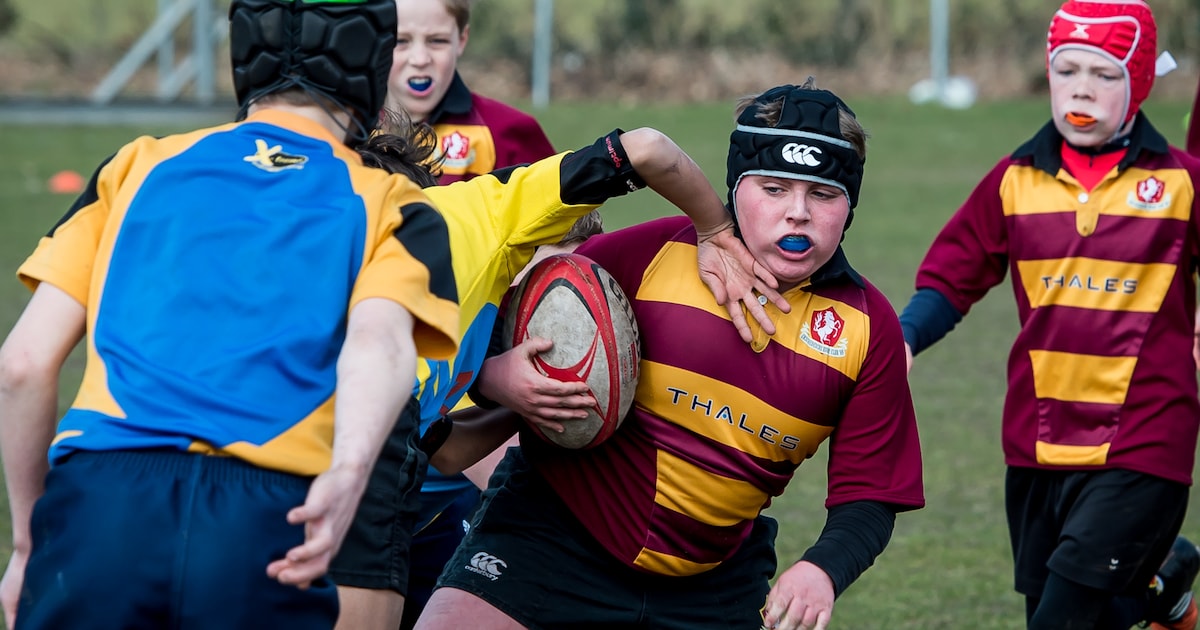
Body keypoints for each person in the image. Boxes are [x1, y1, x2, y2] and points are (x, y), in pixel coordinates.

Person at [0, 1, 461, 628]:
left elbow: (22, 364)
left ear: (242, 57)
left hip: (102, 504)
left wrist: (32, 542)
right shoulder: (392, 202)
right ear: (373, 67)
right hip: (269, 515)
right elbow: (378, 346)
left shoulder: (136, 166)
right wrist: (349, 473)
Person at [415, 80, 926, 630]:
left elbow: (871, 493)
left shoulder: (867, 330)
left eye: (822, 194)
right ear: (736, 188)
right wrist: (495, 378)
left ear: (850, 205)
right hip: (550, 538)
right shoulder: (644, 257)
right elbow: (487, 324)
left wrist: (822, 569)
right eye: (774, 188)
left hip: (714, 583)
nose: (796, 213)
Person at [331, 123, 785, 630]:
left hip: (364, 494)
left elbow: (444, 449)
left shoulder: (473, 232)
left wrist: (523, 399)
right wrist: (716, 230)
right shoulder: (470, 223)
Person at [898, 2, 1200, 628]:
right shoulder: (1014, 180)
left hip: (1146, 441)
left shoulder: (1182, 185)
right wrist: (904, 338)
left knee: (1061, 618)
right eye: (1067, 70)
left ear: (1138, 83)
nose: (1082, 89)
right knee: (1090, 610)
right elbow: (952, 275)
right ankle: (1164, 581)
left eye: (1105, 74)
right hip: (1038, 441)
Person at [386, 0, 555, 183]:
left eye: (437, 41)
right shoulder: (353, 127)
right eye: (400, 40)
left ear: (461, 40)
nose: (420, 59)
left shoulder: (507, 131)